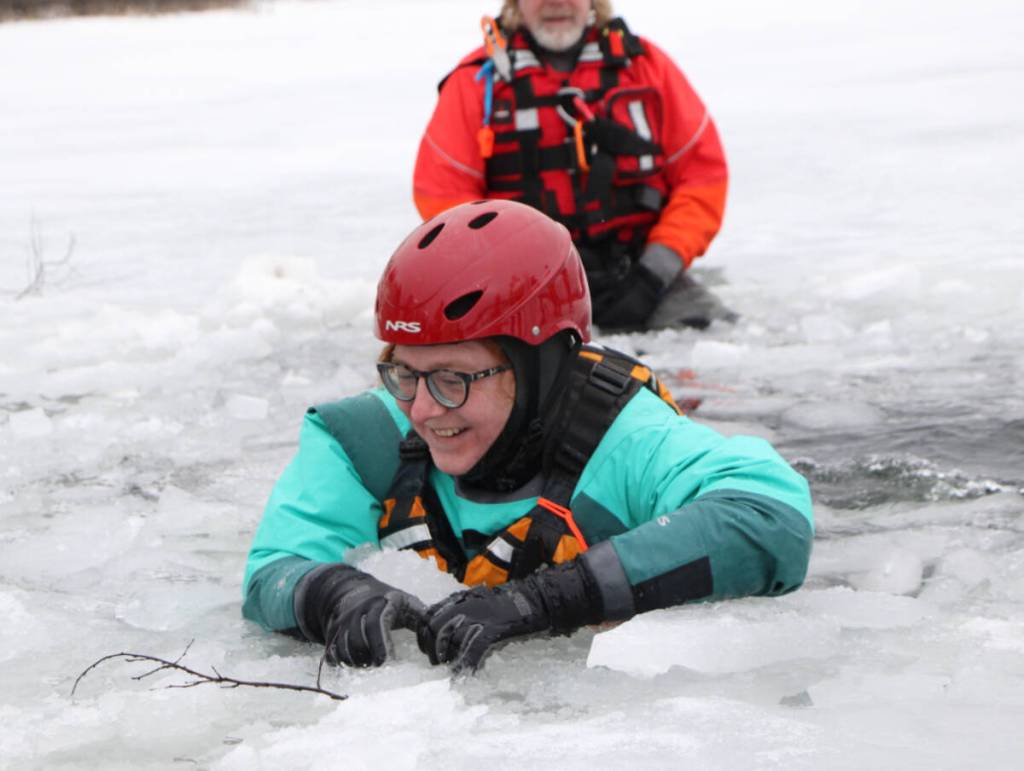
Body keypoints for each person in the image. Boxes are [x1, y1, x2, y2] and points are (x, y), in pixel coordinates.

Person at [242, 201, 813, 673]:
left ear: (541, 368)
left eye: (452, 379)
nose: (420, 408)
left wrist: (545, 599)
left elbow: (769, 517)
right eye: (405, 373)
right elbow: (274, 569)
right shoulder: (361, 440)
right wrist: (332, 593)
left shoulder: (624, 438)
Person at [412, 0, 734, 332]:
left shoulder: (648, 67)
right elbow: (444, 196)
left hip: (643, 275)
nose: (557, 2)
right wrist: (513, 278)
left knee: (713, 342)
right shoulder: (476, 82)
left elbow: (702, 178)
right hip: (525, 288)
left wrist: (654, 271)